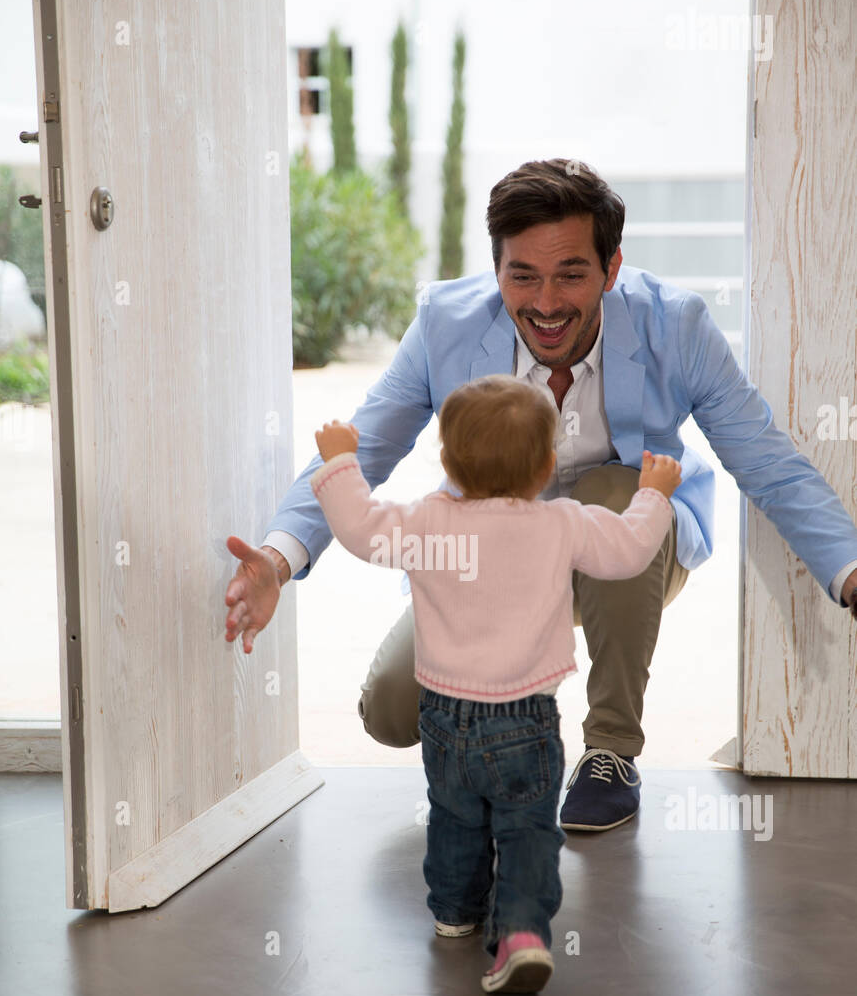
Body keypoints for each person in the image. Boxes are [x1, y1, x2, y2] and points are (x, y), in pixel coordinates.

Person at [225, 158, 857, 832]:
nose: (546, 304)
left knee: (618, 486)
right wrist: (276, 557)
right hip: (493, 546)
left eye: (571, 275)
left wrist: (850, 574)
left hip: (624, 538)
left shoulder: (675, 324)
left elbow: (768, 462)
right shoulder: (446, 323)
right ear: (496, 270)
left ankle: (611, 751)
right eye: (522, 275)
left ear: (611, 270)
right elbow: (363, 447)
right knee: (391, 711)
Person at [306, 379, 681, 993]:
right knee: (526, 829)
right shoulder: (562, 523)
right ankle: (522, 935)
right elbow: (630, 553)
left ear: (449, 462)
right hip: (524, 720)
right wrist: (652, 495)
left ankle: (454, 914)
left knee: (454, 820)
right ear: (546, 465)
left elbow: (361, 528)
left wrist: (342, 461)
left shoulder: (427, 520)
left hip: (444, 716)